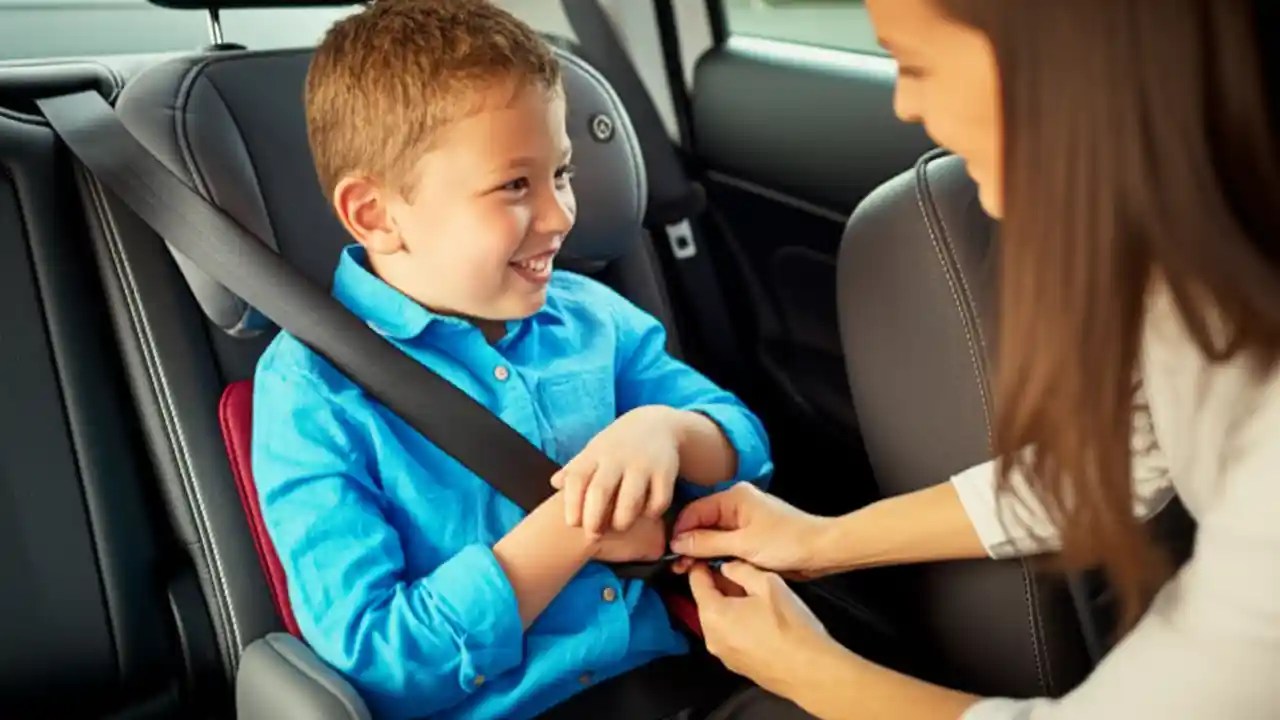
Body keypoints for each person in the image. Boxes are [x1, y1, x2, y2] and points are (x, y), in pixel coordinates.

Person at [668, 0, 1280, 718]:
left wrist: (807, 671)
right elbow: (1122, 460)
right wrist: (820, 541)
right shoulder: (1187, 274)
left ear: (1067, 63)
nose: (903, 104)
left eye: (916, 64)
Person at [249, 2, 775, 719]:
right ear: (375, 214)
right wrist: (578, 524)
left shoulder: (590, 315)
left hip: (680, 679)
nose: (562, 215)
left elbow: (743, 442)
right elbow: (375, 657)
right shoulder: (311, 392)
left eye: (560, 173)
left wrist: (664, 431)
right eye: (515, 185)